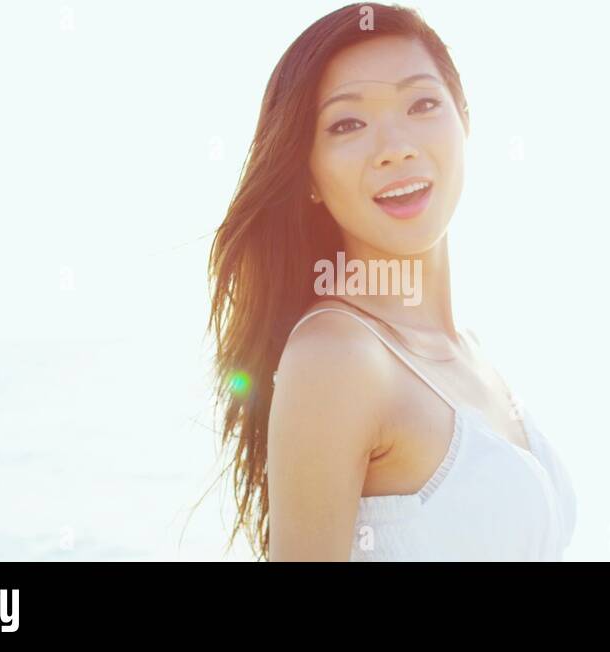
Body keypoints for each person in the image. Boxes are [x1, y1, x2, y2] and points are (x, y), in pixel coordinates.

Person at [206, 2, 576, 561]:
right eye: (348, 123)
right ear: (308, 173)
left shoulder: (470, 354)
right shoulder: (337, 357)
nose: (396, 147)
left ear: (465, 119)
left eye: (422, 103)